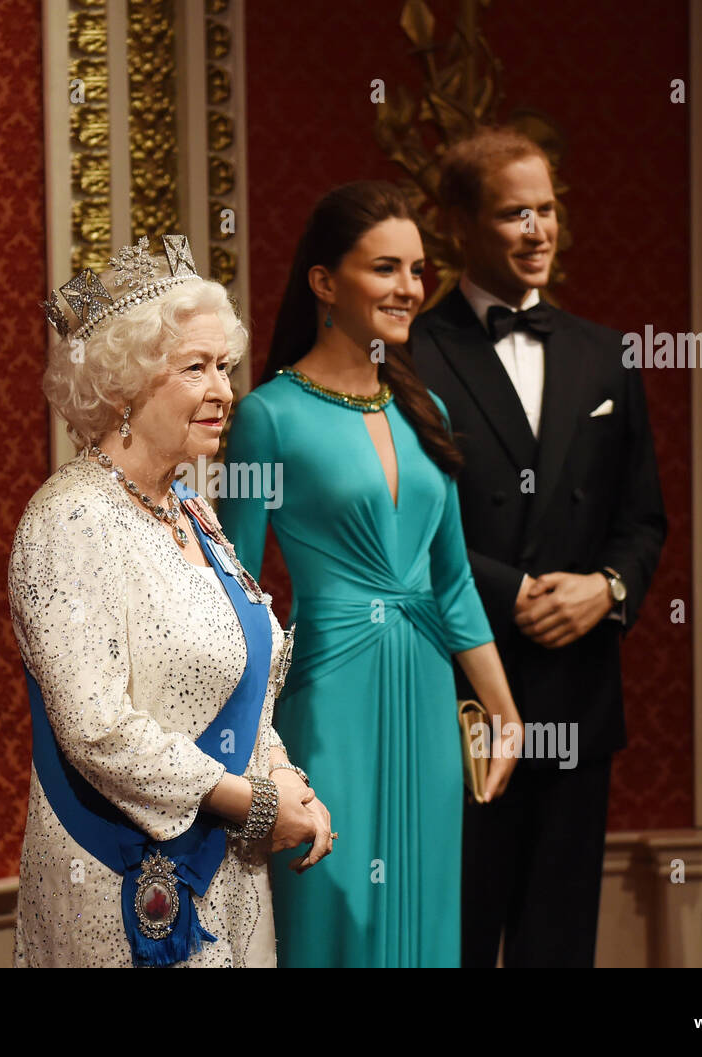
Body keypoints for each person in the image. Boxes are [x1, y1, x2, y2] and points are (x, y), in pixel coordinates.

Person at [218, 182, 523, 967]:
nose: (410, 289)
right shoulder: (267, 417)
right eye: (386, 267)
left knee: (426, 918)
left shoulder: (426, 411)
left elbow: (451, 580)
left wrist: (502, 707)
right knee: (337, 912)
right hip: (328, 700)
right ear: (325, 282)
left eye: (418, 270)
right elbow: (239, 594)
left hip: (426, 693)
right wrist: (244, 747)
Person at [9, 234, 332, 967]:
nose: (224, 389)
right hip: (117, 877)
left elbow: (242, 678)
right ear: (123, 385)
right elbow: (97, 728)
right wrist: (249, 801)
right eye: (196, 368)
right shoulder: (71, 519)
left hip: (228, 871)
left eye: (225, 366)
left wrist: (280, 774)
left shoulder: (191, 509)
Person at [410, 126, 667, 967]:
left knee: (558, 949)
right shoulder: (409, 352)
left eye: (547, 210)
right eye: (514, 213)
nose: (537, 231)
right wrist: (507, 590)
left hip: (577, 698)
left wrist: (610, 589)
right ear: (456, 225)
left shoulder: (605, 354)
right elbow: (402, 524)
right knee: (456, 936)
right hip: (456, 701)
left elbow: (643, 520)